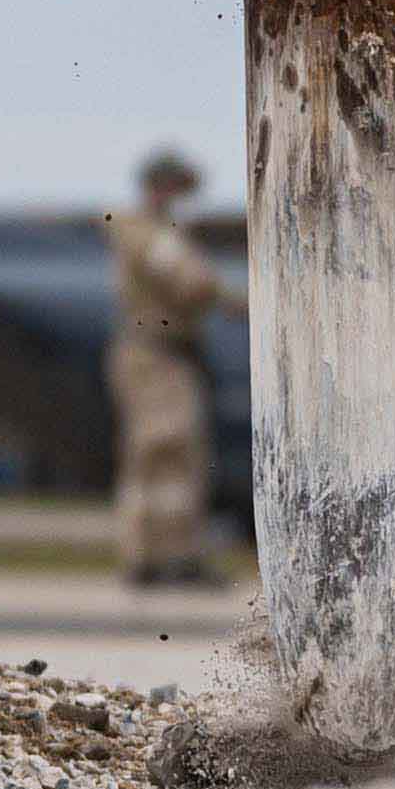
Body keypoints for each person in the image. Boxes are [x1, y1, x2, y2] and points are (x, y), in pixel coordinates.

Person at [105, 149, 245, 587]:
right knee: (163, 451)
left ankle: (164, 555)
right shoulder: (141, 228)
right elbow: (190, 281)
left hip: (167, 355)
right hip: (155, 355)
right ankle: (161, 558)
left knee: (169, 457)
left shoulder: (156, 228)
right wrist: (239, 301)